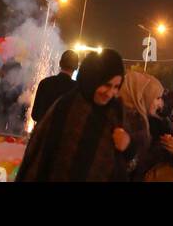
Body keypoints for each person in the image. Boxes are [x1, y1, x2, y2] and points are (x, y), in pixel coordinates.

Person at [15, 48, 131, 182]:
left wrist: (127, 143)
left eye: (116, 87)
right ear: (93, 80)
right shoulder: (66, 107)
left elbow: (122, 159)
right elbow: (40, 157)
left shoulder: (115, 111)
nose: (110, 93)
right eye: (106, 85)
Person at [120, 68, 173, 180]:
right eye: (157, 98)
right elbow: (132, 163)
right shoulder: (129, 120)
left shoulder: (140, 118)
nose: (160, 104)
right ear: (143, 95)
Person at [30, 48, 79, 125]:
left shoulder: (45, 83)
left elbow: (35, 115)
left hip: (43, 134)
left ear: (60, 63)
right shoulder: (77, 89)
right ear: (76, 67)